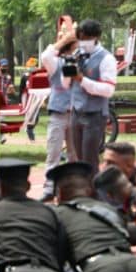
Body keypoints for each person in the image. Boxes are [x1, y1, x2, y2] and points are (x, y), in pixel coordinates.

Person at [66, 19, 117, 170]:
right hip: (76, 112)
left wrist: (82, 80)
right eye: (80, 39)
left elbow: (108, 90)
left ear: (96, 37)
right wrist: (68, 67)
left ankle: (93, 184)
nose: (83, 42)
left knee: (89, 158)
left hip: (94, 114)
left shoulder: (106, 58)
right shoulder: (77, 54)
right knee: (78, 158)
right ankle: (82, 183)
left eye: (86, 39)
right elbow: (66, 83)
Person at [39, 24, 78, 202]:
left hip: (76, 112)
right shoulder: (56, 62)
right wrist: (64, 39)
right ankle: (50, 187)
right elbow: (45, 56)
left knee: (74, 155)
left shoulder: (80, 58)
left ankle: (74, 188)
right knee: (53, 152)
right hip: (59, 112)